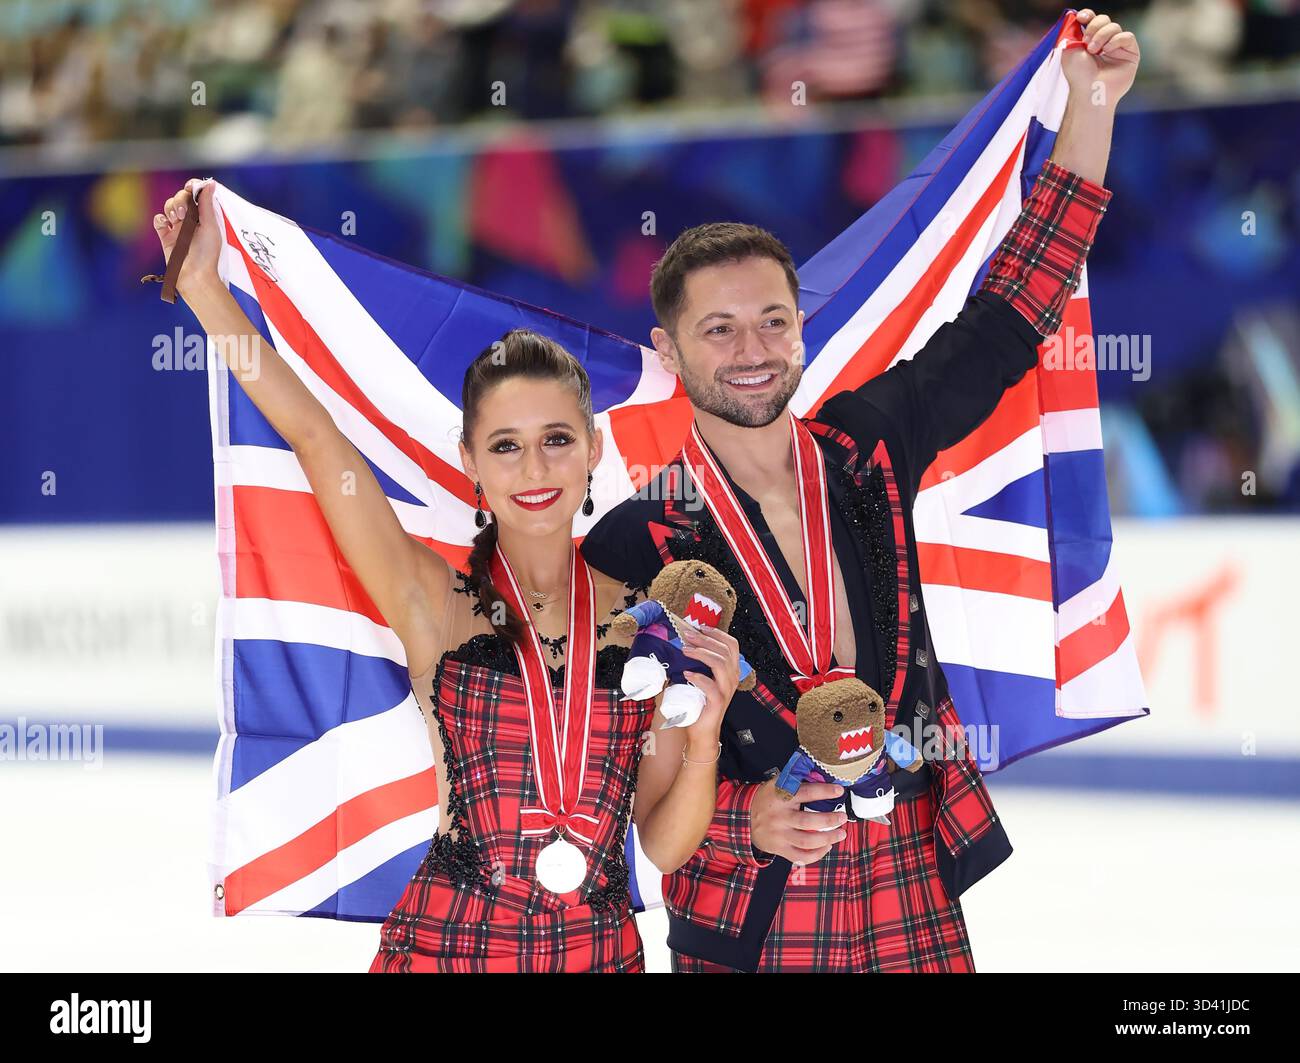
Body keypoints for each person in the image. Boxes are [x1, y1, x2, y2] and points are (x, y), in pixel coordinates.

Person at [578, 9, 1138, 972]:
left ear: (801, 329)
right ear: (669, 352)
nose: (751, 351)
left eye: (771, 322)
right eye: (718, 330)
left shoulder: (867, 447)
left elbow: (1012, 311)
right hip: (753, 908)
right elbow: (614, 777)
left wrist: (1093, 104)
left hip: (909, 869)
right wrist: (741, 820)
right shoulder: (637, 542)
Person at [152, 183, 746, 972]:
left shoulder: (648, 621)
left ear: (594, 450)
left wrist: (704, 736)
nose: (534, 468)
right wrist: (202, 290)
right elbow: (315, 439)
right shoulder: (433, 598)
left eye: (557, 439)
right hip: (448, 949)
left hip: (597, 956)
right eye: (504, 445)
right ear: (469, 461)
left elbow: (664, 846)